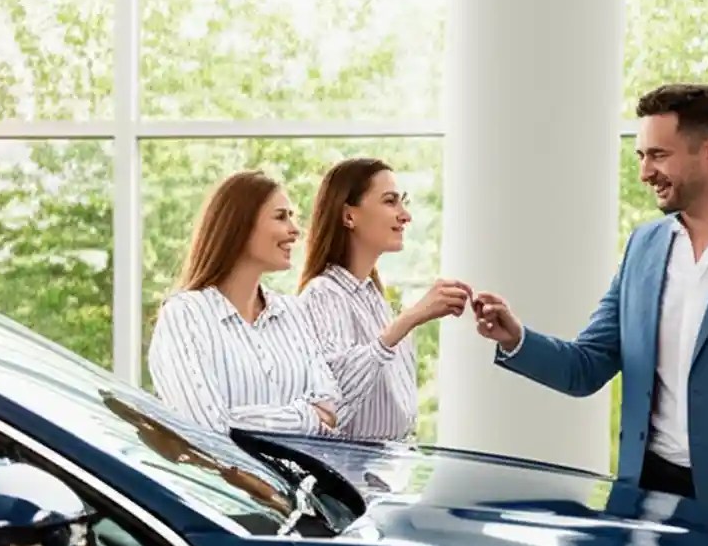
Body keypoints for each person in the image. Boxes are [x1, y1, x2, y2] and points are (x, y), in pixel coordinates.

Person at [472, 83, 708, 518]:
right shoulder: (644, 246)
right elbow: (585, 366)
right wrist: (517, 339)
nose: (644, 172)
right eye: (641, 155)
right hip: (645, 496)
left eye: (659, 155)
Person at [147, 170, 343, 437]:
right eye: (280, 216)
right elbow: (205, 433)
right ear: (239, 226)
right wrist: (307, 417)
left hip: (298, 480)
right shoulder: (185, 316)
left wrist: (235, 419)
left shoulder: (293, 313)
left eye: (292, 217)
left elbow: (331, 414)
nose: (295, 230)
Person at [297, 158, 471, 441]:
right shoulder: (323, 294)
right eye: (390, 202)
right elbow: (332, 402)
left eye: (403, 202)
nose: (405, 216)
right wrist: (409, 320)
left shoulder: (374, 298)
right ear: (348, 216)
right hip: (349, 479)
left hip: (388, 476)